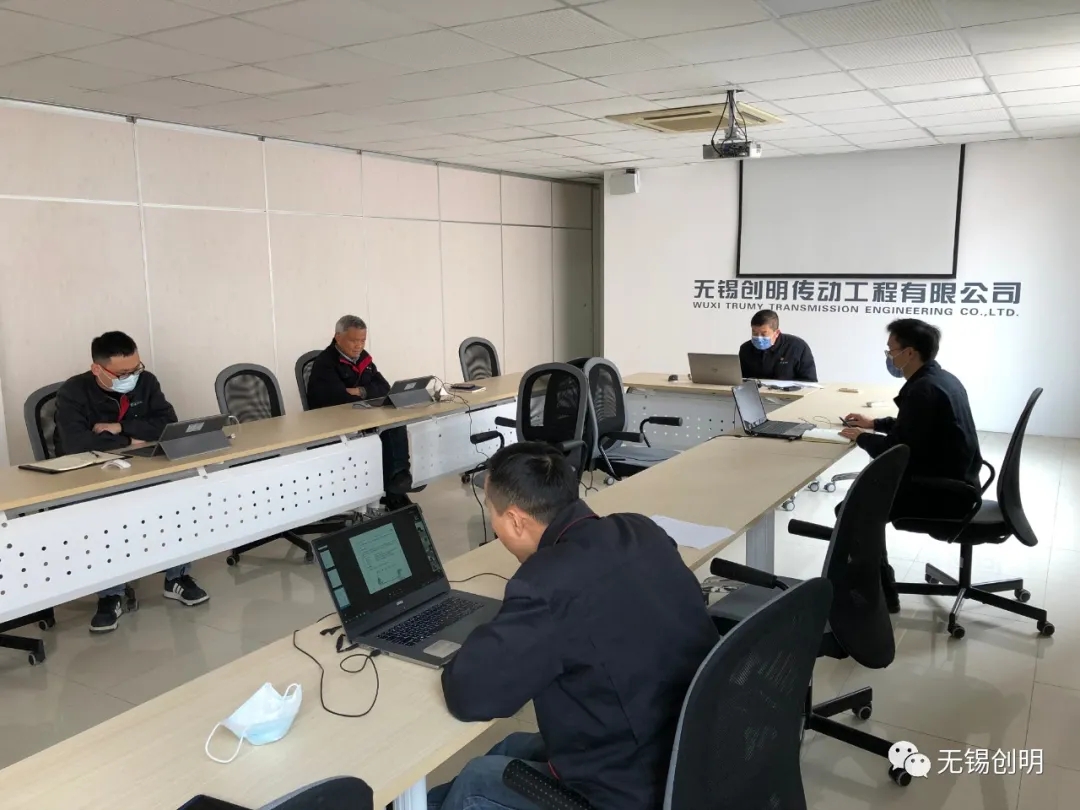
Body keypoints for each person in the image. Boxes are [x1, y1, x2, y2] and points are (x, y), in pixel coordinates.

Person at [429, 442, 719, 810]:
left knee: (476, 779)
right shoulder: (639, 529)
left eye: (492, 512)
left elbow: (469, 695)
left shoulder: (545, 585)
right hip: (686, 746)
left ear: (516, 520)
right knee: (509, 746)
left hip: (634, 791)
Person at [55, 331, 209, 632]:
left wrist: (119, 428)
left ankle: (176, 577)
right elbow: (76, 443)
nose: (132, 377)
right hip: (92, 473)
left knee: (179, 494)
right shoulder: (73, 392)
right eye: (123, 373)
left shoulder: (146, 381)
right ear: (97, 369)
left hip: (141, 464)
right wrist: (132, 438)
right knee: (106, 513)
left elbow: (168, 423)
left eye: (136, 368)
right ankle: (111, 595)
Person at [840, 318, 982, 613]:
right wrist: (875, 424)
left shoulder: (922, 390)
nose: (889, 357)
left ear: (910, 353)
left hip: (945, 493)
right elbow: (916, 429)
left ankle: (880, 592)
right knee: (862, 503)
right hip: (959, 481)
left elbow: (898, 451)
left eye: (891, 351)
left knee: (854, 509)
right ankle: (877, 584)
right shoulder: (940, 379)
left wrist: (862, 438)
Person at [305, 315, 416, 510]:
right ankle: (392, 489)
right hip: (332, 421)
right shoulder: (325, 363)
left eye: (362, 340)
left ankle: (397, 482)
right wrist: (365, 394)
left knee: (394, 422)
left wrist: (359, 391)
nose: (358, 346)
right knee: (381, 431)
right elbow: (338, 398)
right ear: (338, 337)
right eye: (353, 340)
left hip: (361, 416)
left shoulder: (364, 358)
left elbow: (384, 387)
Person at [738, 309, 817, 382]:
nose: (758, 337)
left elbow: (810, 382)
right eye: (754, 333)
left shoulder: (798, 347)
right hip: (755, 392)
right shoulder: (745, 349)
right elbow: (740, 380)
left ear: (776, 333)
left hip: (788, 392)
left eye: (763, 334)